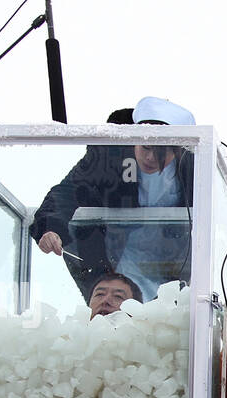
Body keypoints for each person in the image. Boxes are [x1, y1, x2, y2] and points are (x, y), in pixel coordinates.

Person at [30, 96, 196, 303]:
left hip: (170, 265)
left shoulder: (194, 169)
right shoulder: (109, 158)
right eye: (146, 148)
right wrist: (50, 227)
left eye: (161, 152)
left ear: (178, 150)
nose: (151, 158)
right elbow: (68, 191)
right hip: (119, 260)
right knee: (116, 317)